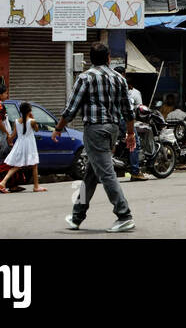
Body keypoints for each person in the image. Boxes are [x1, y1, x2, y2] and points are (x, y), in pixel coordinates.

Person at [54, 43, 136, 232]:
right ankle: (77, 216)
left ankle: (124, 214)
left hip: (95, 130)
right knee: (91, 174)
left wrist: (58, 129)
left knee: (106, 173)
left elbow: (71, 109)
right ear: (108, 57)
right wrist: (130, 133)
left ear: (91, 59)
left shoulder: (85, 77)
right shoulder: (119, 78)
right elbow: (128, 111)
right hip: (113, 129)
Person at [0, 102, 45, 193]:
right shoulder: (32, 121)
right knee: (34, 165)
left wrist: (9, 141)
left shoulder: (16, 121)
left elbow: (13, 135)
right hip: (29, 145)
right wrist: (33, 118)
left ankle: (3, 182)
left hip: (20, 144)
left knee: (17, 165)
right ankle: (36, 186)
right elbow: (36, 129)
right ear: (29, 111)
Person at [113, 65, 146, 182]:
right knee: (134, 143)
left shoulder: (110, 84)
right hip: (123, 119)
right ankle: (135, 171)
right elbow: (127, 108)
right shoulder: (121, 85)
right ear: (123, 75)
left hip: (111, 119)